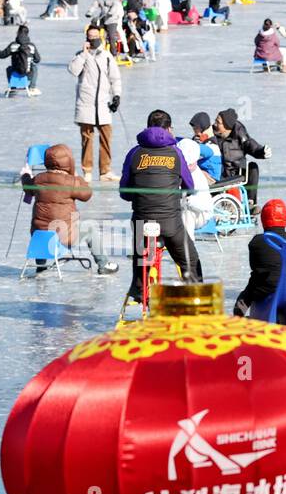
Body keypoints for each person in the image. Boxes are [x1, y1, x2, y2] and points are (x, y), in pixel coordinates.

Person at [118, 109, 200, 303]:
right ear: (169, 129)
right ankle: (196, 296)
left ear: (147, 127)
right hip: (170, 223)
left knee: (141, 251)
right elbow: (190, 186)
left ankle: (139, 288)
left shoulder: (134, 153)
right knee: (190, 259)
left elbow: (124, 191)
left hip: (142, 221)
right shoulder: (176, 153)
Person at [21, 143, 118, 275]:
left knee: (43, 223)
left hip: (39, 238)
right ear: (68, 162)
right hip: (62, 238)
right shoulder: (70, 181)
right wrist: (77, 177)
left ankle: (41, 265)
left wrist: (25, 175)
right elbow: (87, 194)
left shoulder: (38, 179)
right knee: (90, 228)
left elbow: (27, 186)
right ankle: (104, 263)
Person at [233, 198, 286, 331]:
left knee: (247, 294)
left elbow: (254, 266)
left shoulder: (256, 241)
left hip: (265, 288)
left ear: (263, 220)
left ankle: (237, 319)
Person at [68, 26, 121, 182]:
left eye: (96, 36)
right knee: (87, 138)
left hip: (103, 103)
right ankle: (87, 170)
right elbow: (73, 70)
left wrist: (117, 96)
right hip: (86, 103)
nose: (94, 39)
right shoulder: (81, 56)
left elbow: (115, 78)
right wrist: (84, 54)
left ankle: (105, 171)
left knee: (106, 137)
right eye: (90, 37)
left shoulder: (106, 56)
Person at [213, 108, 271, 208]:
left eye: (218, 122)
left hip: (238, 172)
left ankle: (250, 203)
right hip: (220, 175)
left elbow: (250, 145)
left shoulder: (239, 132)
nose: (214, 124)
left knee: (253, 167)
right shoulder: (212, 133)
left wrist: (262, 151)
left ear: (227, 126)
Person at [0, 24, 41, 96]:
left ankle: (13, 88)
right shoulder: (31, 46)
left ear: (18, 33)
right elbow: (38, 59)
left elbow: (2, 55)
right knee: (34, 67)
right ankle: (32, 88)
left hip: (15, 72)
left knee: (9, 69)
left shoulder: (13, 45)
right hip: (28, 73)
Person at [187, 112, 223, 182]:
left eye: (195, 129)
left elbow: (199, 152)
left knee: (188, 174)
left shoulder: (212, 144)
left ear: (202, 128)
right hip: (202, 172)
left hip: (211, 176)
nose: (194, 131)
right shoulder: (199, 140)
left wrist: (190, 145)